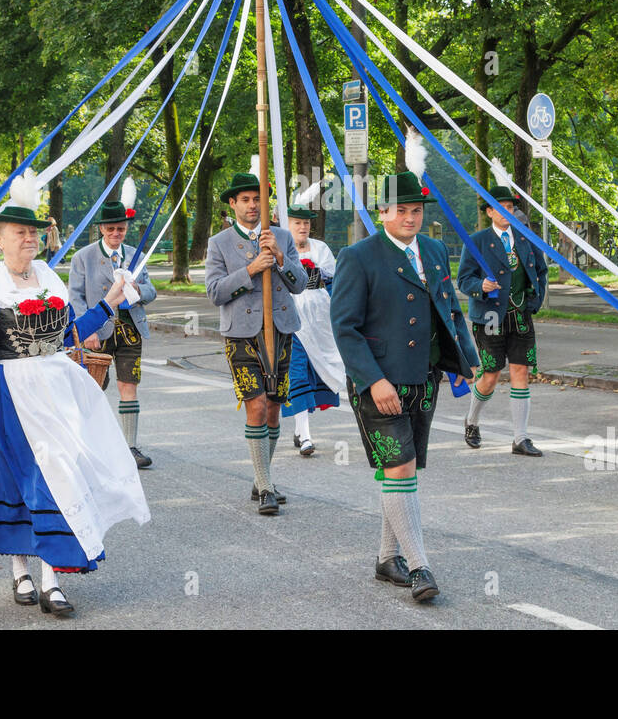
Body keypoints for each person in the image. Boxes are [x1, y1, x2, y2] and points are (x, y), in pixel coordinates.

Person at [0, 198, 149, 616]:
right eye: (18, 232)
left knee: (57, 476)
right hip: (10, 392)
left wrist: (110, 303)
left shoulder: (49, 276)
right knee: (17, 482)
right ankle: (19, 567)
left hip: (57, 389)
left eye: (33, 232)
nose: (29, 238)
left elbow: (68, 337)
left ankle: (52, 579)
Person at [330, 167, 478, 603]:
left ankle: (385, 558)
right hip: (379, 382)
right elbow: (345, 327)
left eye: (416, 210)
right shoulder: (358, 256)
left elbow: (449, 310)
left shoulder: (433, 250)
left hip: (423, 378)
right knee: (400, 468)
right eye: (401, 210)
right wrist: (373, 380)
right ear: (382, 212)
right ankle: (419, 567)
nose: (410, 218)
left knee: (404, 470)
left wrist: (466, 361)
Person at [205, 170, 306, 515]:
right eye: (245, 200)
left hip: (280, 330)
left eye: (257, 198)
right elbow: (215, 292)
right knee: (257, 405)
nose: (252, 205)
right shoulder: (218, 243)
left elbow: (301, 284)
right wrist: (250, 270)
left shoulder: (280, 235)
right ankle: (265, 488)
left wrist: (278, 256)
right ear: (233, 204)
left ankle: (263, 475)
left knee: (275, 408)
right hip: (241, 335)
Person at [456, 184, 547, 456]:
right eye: (500, 207)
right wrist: (480, 286)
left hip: (520, 315)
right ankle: (472, 420)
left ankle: (520, 438)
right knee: (491, 374)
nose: (506, 212)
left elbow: (540, 272)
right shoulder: (477, 241)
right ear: (488, 211)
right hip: (490, 316)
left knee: (521, 371)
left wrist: (534, 301)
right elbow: (463, 279)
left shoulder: (525, 239)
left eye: (510, 207)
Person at [69, 200, 157, 469]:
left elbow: (151, 291)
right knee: (93, 388)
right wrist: (87, 330)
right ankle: (89, 444)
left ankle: (130, 446)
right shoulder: (83, 257)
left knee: (128, 386)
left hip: (131, 330)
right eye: (111, 228)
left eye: (120, 228)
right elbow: (75, 297)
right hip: (99, 331)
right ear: (102, 229)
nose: (116, 233)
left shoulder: (135, 255)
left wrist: (136, 290)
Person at [280, 189, 344, 457]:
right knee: (297, 373)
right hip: (293, 321)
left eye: (306, 223)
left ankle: (299, 428)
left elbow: (334, 277)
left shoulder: (321, 248)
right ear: (288, 225)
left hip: (319, 321)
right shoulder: (281, 249)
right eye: (297, 223)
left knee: (318, 371)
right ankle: (305, 436)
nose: (303, 227)